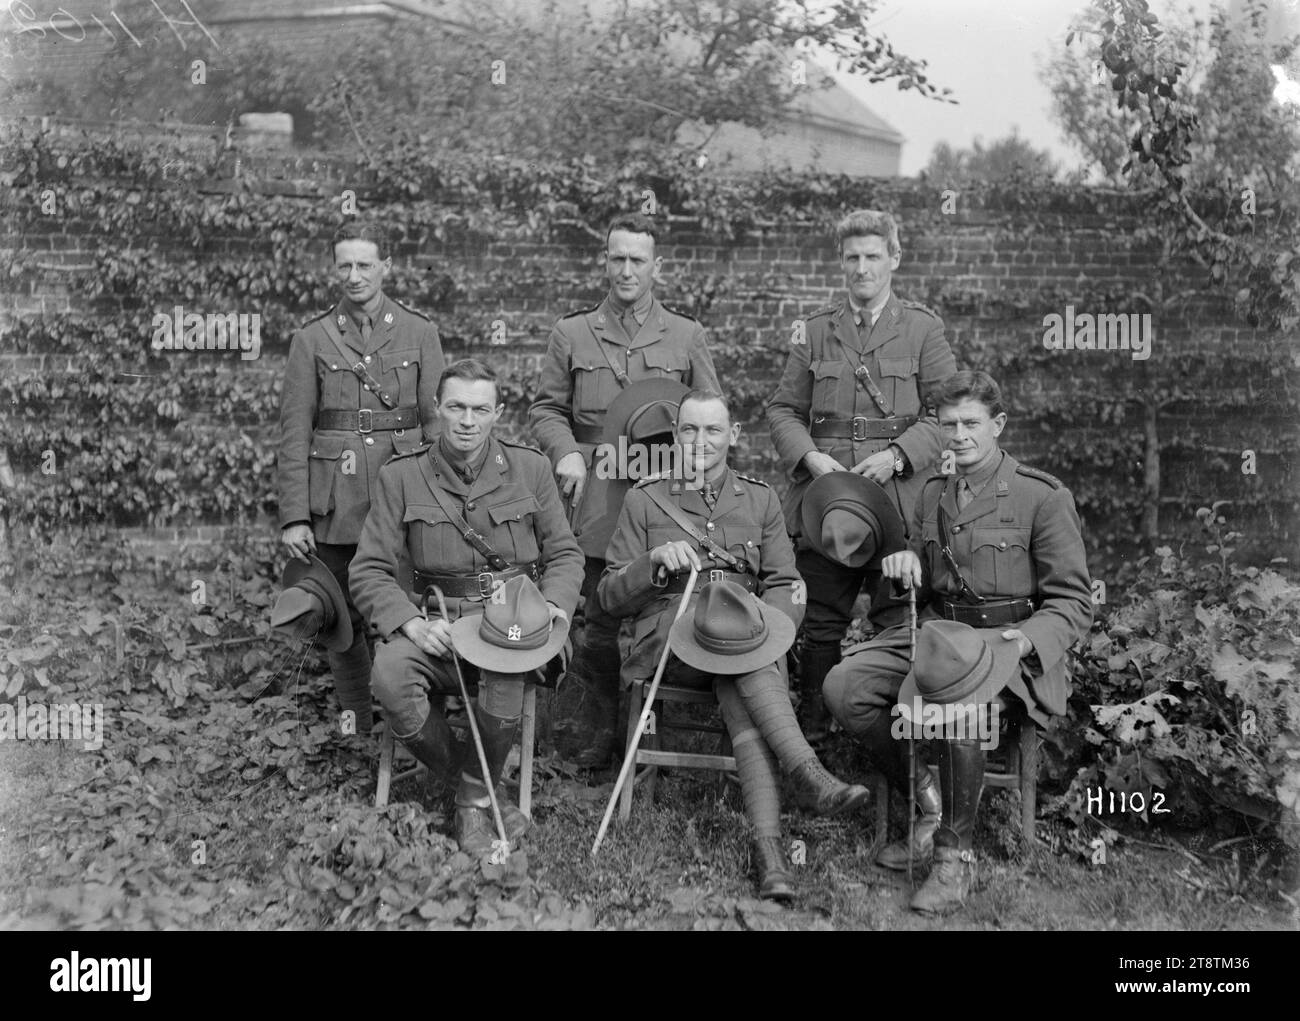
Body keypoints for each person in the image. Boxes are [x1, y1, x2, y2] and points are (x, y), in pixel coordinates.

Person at [822, 371, 1092, 913]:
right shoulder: (930, 493)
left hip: (1007, 645)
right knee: (844, 685)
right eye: (949, 425)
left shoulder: (1040, 496)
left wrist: (1023, 643)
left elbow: (1074, 603)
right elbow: (918, 577)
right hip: (941, 634)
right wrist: (901, 568)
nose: (960, 435)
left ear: (998, 425)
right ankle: (928, 797)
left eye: (972, 423)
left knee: (959, 703)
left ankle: (954, 856)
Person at [599, 389, 870, 900]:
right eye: (689, 430)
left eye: (713, 430)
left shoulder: (760, 498)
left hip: (742, 643)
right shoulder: (645, 497)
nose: (701, 441)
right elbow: (610, 595)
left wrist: (769, 627)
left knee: (741, 659)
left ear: (734, 436)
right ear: (677, 435)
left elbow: (788, 585)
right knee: (744, 661)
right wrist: (652, 561)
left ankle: (769, 856)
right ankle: (807, 775)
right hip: (669, 642)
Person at [349, 359, 583, 854]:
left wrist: (556, 610)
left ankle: (471, 809)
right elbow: (367, 569)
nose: (467, 421)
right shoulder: (402, 476)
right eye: (456, 407)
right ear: (437, 408)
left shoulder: (531, 468)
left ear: (498, 412)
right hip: (439, 627)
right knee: (390, 678)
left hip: (510, 627)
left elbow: (564, 554)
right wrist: (410, 623)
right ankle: (482, 791)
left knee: (505, 674)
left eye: (480, 409)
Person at [530, 212, 719, 767]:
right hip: (597, 489)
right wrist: (565, 451)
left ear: (657, 267)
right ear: (604, 261)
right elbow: (546, 409)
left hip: (664, 486)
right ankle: (593, 738)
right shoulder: (572, 332)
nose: (626, 269)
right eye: (618, 258)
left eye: (638, 259)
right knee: (598, 613)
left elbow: (710, 413)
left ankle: (644, 735)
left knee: (655, 599)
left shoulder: (686, 335)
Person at [766, 208, 956, 745]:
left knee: (898, 615)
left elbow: (946, 413)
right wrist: (810, 458)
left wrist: (898, 455)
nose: (862, 267)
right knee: (819, 618)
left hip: (897, 503)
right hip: (826, 502)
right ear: (840, 262)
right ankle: (815, 741)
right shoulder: (814, 331)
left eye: (874, 256)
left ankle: (890, 736)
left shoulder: (922, 328)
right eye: (852, 257)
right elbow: (782, 410)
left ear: (894, 259)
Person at [277, 221, 445, 738]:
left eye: (364, 265)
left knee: (405, 605)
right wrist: (295, 516)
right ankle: (357, 731)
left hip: (404, 492)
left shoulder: (419, 332)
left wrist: (443, 498)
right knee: (343, 619)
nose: (353, 276)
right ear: (333, 269)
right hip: (337, 500)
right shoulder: (312, 338)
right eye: (344, 265)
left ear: (386, 267)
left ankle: (411, 722)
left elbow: (437, 422)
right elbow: (294, 429)